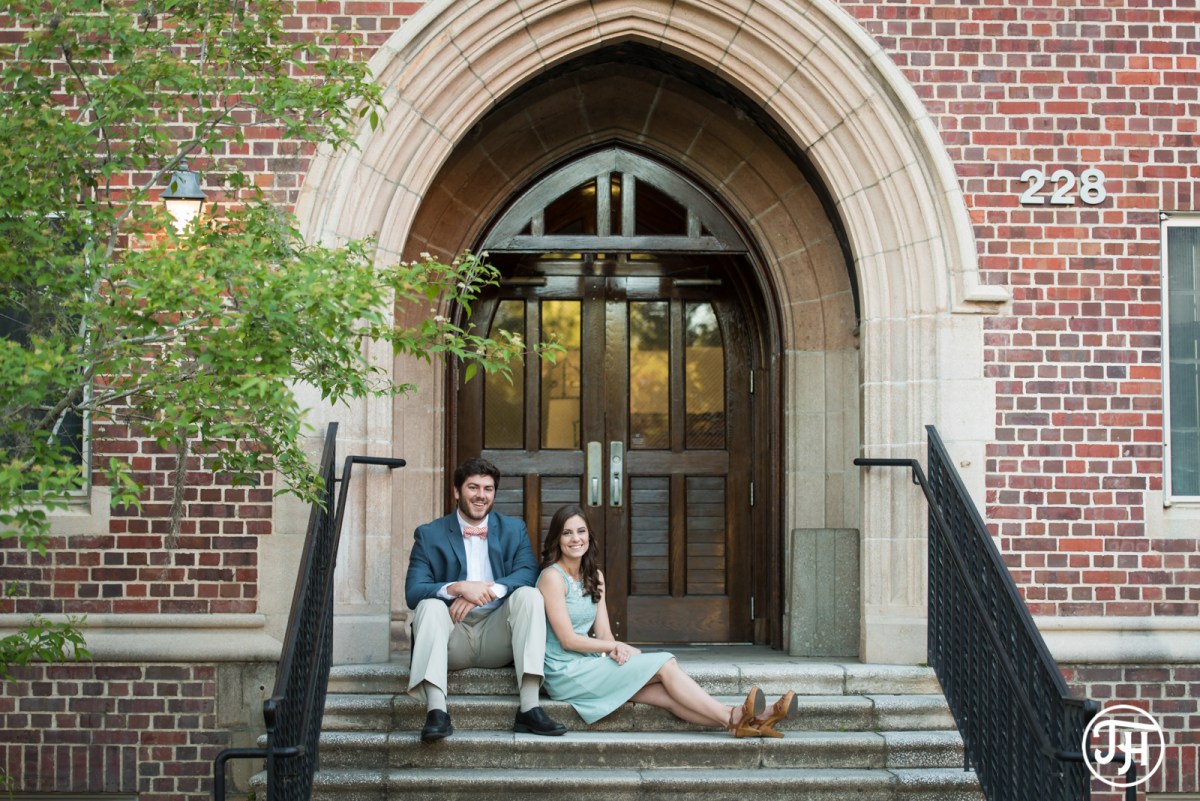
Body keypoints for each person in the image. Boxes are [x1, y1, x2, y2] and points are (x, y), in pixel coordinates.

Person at [536, 504, 798, 736]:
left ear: (589, 536)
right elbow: (568, 640)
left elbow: (604, 632)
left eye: (580, 531)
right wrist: (614, 647)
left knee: (667, 697)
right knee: (666, 663)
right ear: (557, 539)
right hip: (565, 672)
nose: (575, 539)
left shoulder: (596, 576)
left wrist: (617, 651)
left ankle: (742, 722)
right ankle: (737, 716)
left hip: (591, 665)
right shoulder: (552, 577)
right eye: (567, 533)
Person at [405, 457, 567, 742]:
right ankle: (436, 712)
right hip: (452, 636)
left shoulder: (513, 529)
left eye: (488, 489)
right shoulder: (430, 534)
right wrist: (458, 587)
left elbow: (528, 573)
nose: (481, 495)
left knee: (529, 596)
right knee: (428, 605)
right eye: (473, 487)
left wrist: (488, 590)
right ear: (457, 492)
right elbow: (413, 592)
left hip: (498, 635)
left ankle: (529, 708)